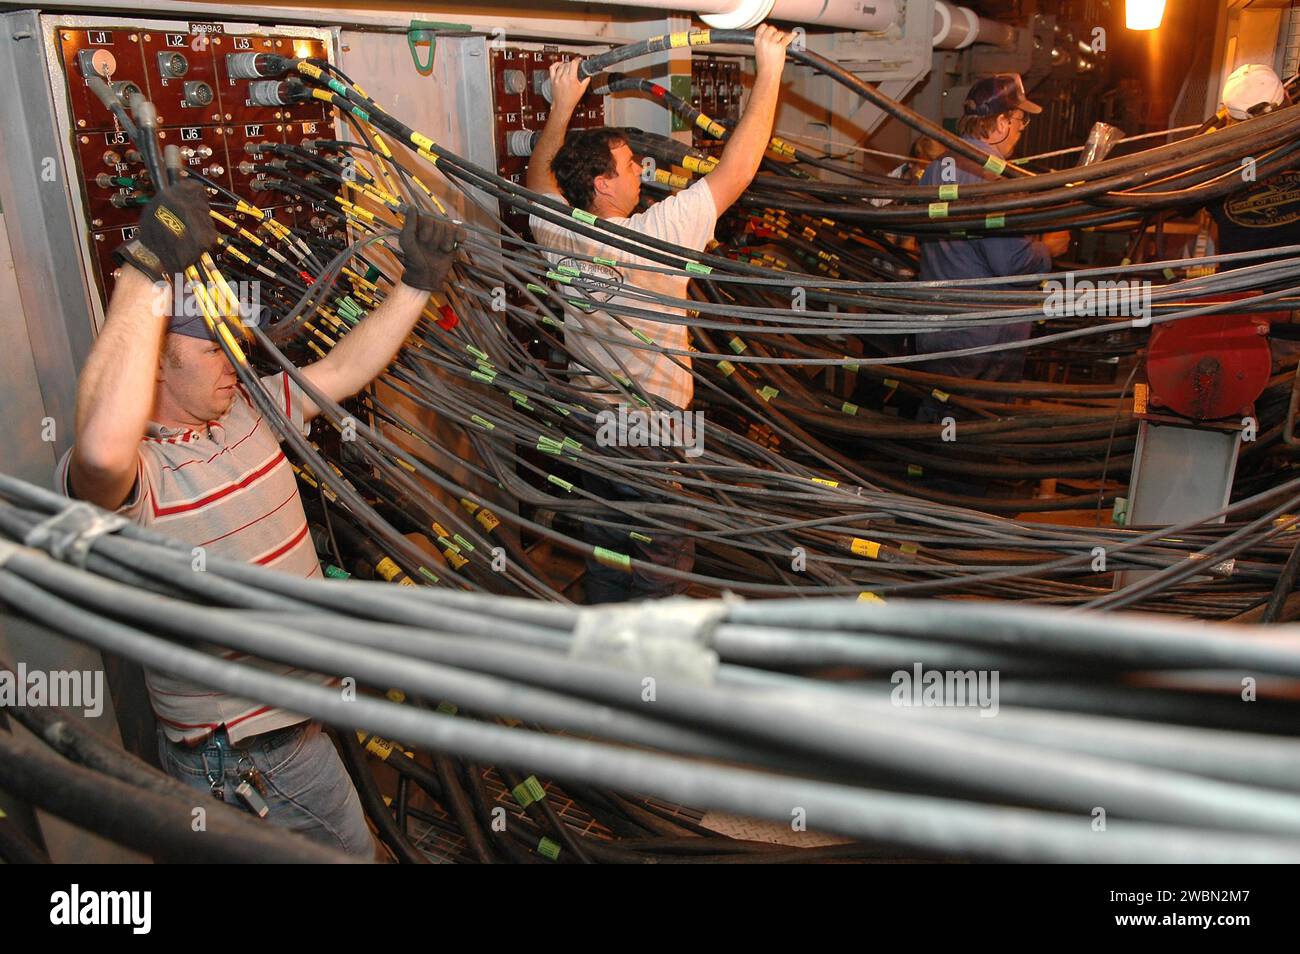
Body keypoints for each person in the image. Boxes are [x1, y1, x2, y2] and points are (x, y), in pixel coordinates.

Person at [58, 179, 460, 856]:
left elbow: (339, 371)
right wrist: (145, 268)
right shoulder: (138, 475)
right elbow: (99, 449)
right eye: (213, 347)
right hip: (248, 750)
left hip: (286, 728)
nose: (234, 360)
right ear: (155, 361)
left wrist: (415, 287)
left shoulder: (244, 409)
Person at [524, 23, 792, 603]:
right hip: (654, 425)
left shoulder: (555, 230)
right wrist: (769, 72)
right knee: (662, 554)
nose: (641, 168)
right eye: (628, 165)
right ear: (602, 184)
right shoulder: (655, 234)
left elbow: (537, 177)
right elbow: (737, 170)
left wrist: (562, 105)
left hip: (591, 416)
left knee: (608, 547)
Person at [912, 73, 1070, 401]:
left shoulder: (936, 168)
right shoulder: (997, 180)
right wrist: (1048, 249)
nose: (1020, 130)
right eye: (1019, 120)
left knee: (939, 416)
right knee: (979, 426)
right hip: (983, 338)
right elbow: (1010, 262)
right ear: (1000, 123)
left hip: (933, 327)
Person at [1207, 64, 1299, 257]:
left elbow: (1183, 205)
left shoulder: (1213, 166)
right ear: (1287, 98)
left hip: (1243, 281)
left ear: (1228, 118)